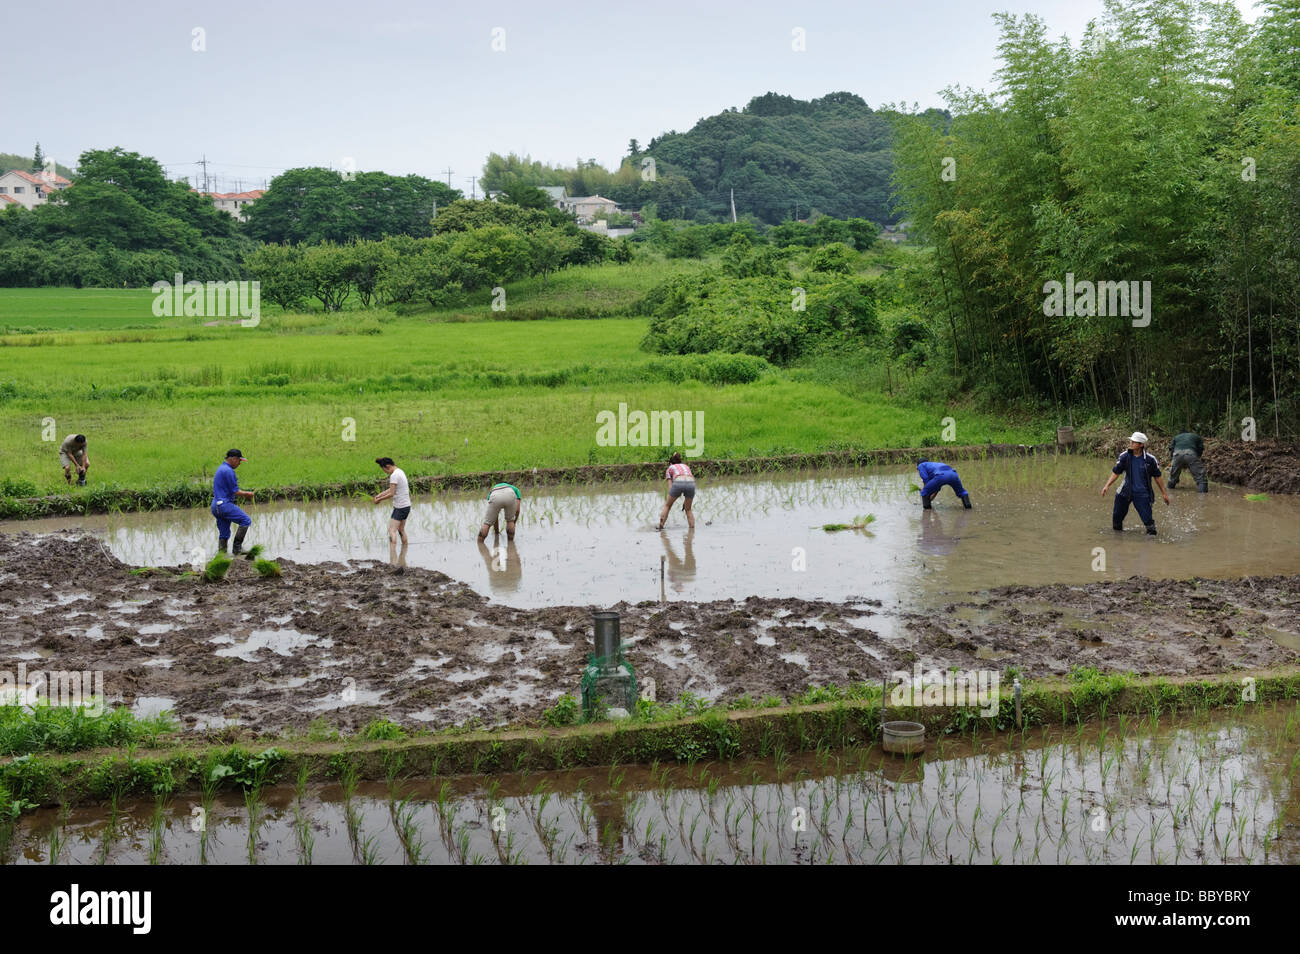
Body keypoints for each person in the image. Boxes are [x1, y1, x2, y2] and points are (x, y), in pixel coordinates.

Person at [1101, 431, 1170, 535]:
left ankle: (1152, 544)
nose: (1131, 443)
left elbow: (1157, 477)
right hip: (1124, 492)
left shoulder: (1150, 460)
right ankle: (1117, 540)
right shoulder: (1125, 456)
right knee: (1116, 519)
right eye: (1131, 441)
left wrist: (1164, 493)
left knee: (1149, 523)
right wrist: (1107, 486)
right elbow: (1116, 472)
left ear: (1141, 445)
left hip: (1142, 493)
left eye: (1134, 442)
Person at [211, 449, 255, 554]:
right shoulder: (228, 471)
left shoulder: (221, 468)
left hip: (215, 506)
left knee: (224, 533)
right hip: (224, 505)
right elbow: (235, 491)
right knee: (246, 520)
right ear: (234, 459)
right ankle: (237, 549)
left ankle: (221, 556)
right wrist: (247, 494)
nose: (239, 463)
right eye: (239, 461)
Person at [371, 457, 411, 552]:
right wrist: (380, 495)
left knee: (391, 530)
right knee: (401, 529)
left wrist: (379, 499)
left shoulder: (394, 475)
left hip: (400, 507)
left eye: (384, 470)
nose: (385, 472)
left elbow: (392, 493)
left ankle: (392, 555)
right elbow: (392, 489)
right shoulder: (400, 471)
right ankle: (404, 552)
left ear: (387, 466)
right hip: (406, 506)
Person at [657, 452, 696, 530]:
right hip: (691, 483)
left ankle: (660, 527)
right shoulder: (686, 466)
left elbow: (670, 486)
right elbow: (690, 479)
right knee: (688, 509)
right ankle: (692, 531)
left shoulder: (670, 468)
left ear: (670, 463)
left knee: (667, 506)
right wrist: (685, 502)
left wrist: (669, 498)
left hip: (678, 481)